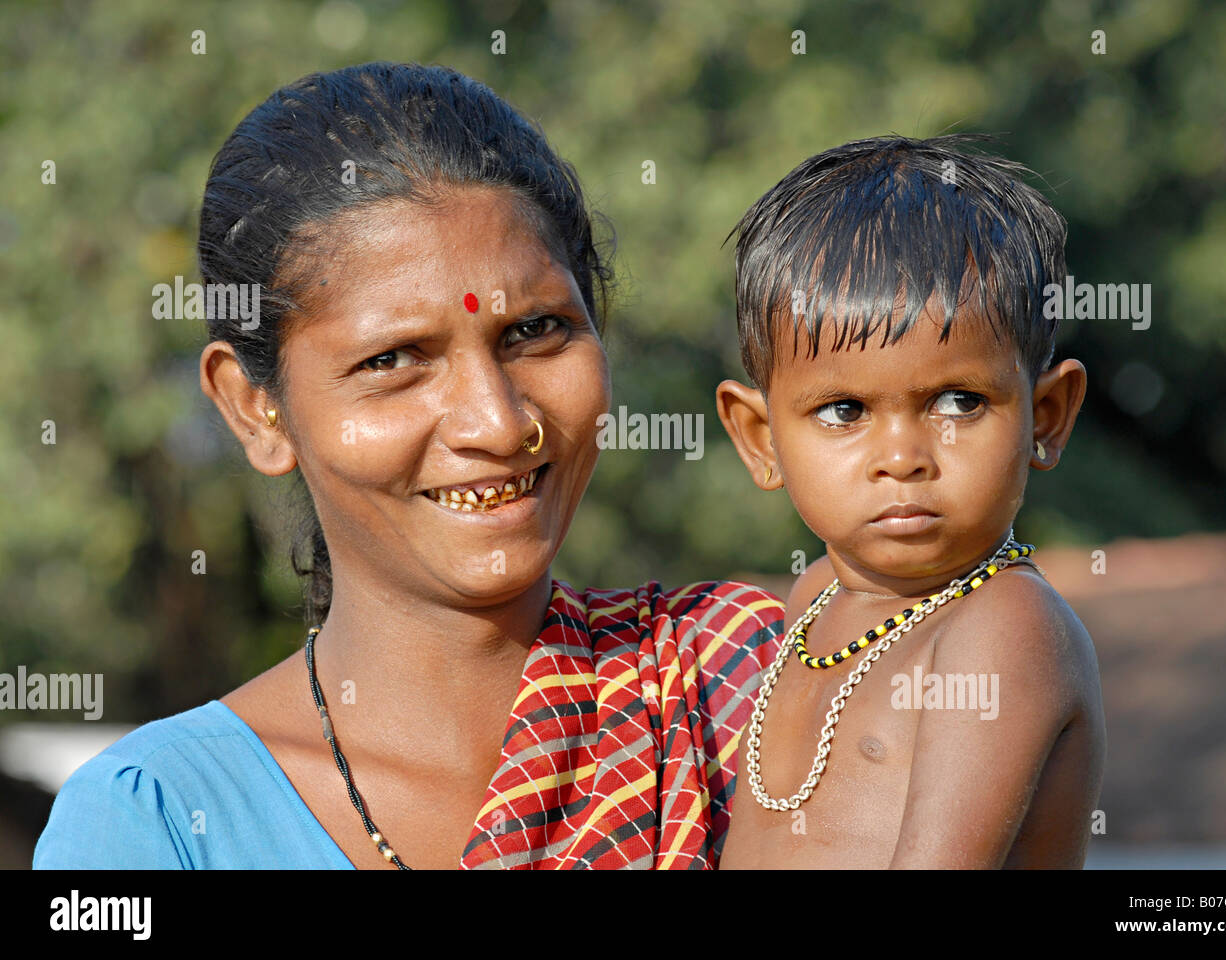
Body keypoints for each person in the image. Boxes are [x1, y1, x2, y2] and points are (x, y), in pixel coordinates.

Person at [32, 62, 783, 869]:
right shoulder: (154, 822)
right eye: (394, 359)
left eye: (535, 331)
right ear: (256, 409)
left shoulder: (744, 700)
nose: (497, 423)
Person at [714, 135, 1106, 868]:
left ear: (1045, 417)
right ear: (760, 438)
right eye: (842, 411)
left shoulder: (1003, 627)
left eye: (959, 401)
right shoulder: (816, 597)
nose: (902, 458)